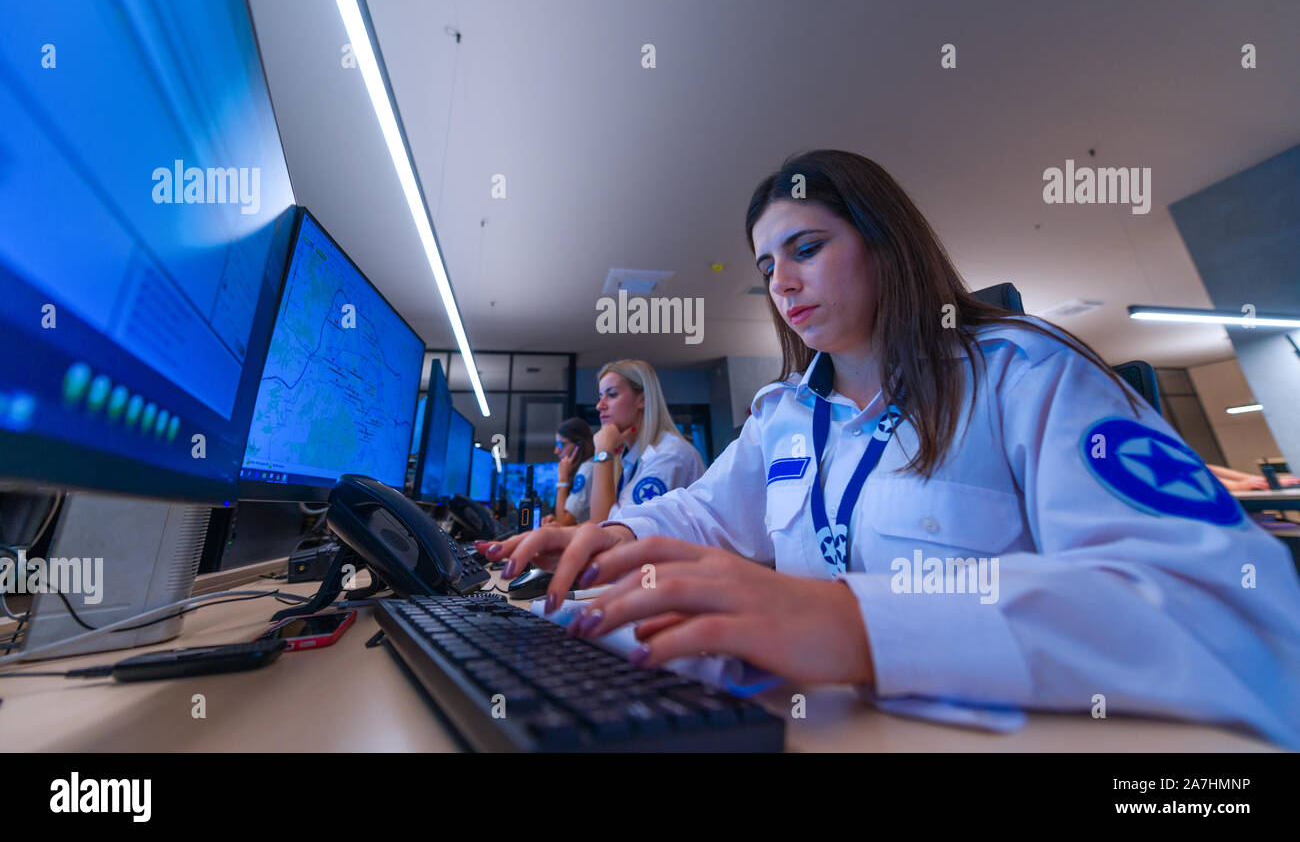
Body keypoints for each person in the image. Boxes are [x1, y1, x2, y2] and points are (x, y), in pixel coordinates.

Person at [477, 149, 1300, 748]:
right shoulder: (784, 414)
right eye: (767, 266)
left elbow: (1230, 609)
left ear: (884, 242)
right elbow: (710, 512)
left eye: (806, 248)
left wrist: (854, 623)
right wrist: (616, 535)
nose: (781, 284)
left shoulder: (1027, 373)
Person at [583, 359, 706, 526]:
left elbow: (606, 528)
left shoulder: (667, 456)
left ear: (642, 399)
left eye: (611, 394)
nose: (599, 406)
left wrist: (603, 451)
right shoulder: (635, 456)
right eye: (600, 396)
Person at [541, 417, 597, 526]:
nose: (556, 451)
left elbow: (564, 522)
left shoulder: (587, 469)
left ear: (579, 446)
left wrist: (562, 480)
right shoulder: (589, 466)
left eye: (562, 444)